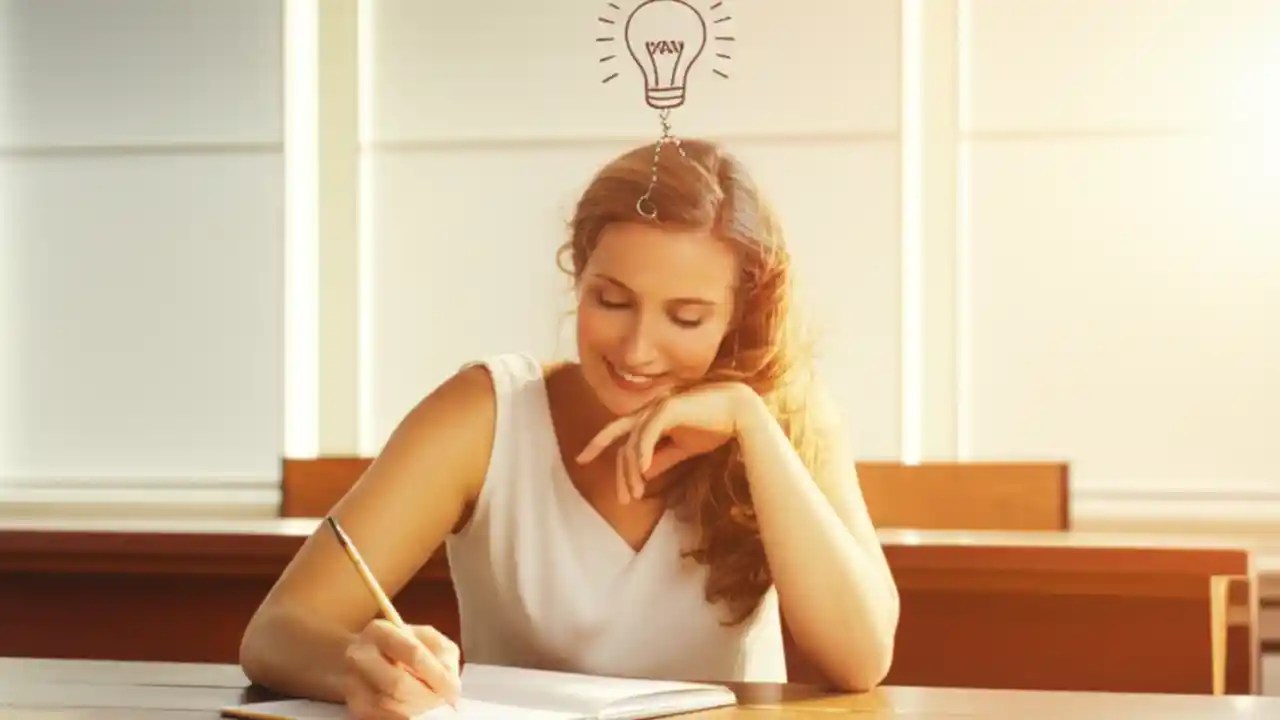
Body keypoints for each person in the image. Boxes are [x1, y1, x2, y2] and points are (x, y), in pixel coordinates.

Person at [239, 138, 900, 719]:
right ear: (578, 272)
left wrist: (750, 424)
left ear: (739, 314)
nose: (639, 349)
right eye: (611, 301)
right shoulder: (485, 416)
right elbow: (277, 630)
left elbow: (861, 659)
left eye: (687, 318)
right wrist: (362, 666)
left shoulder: (786, 414)